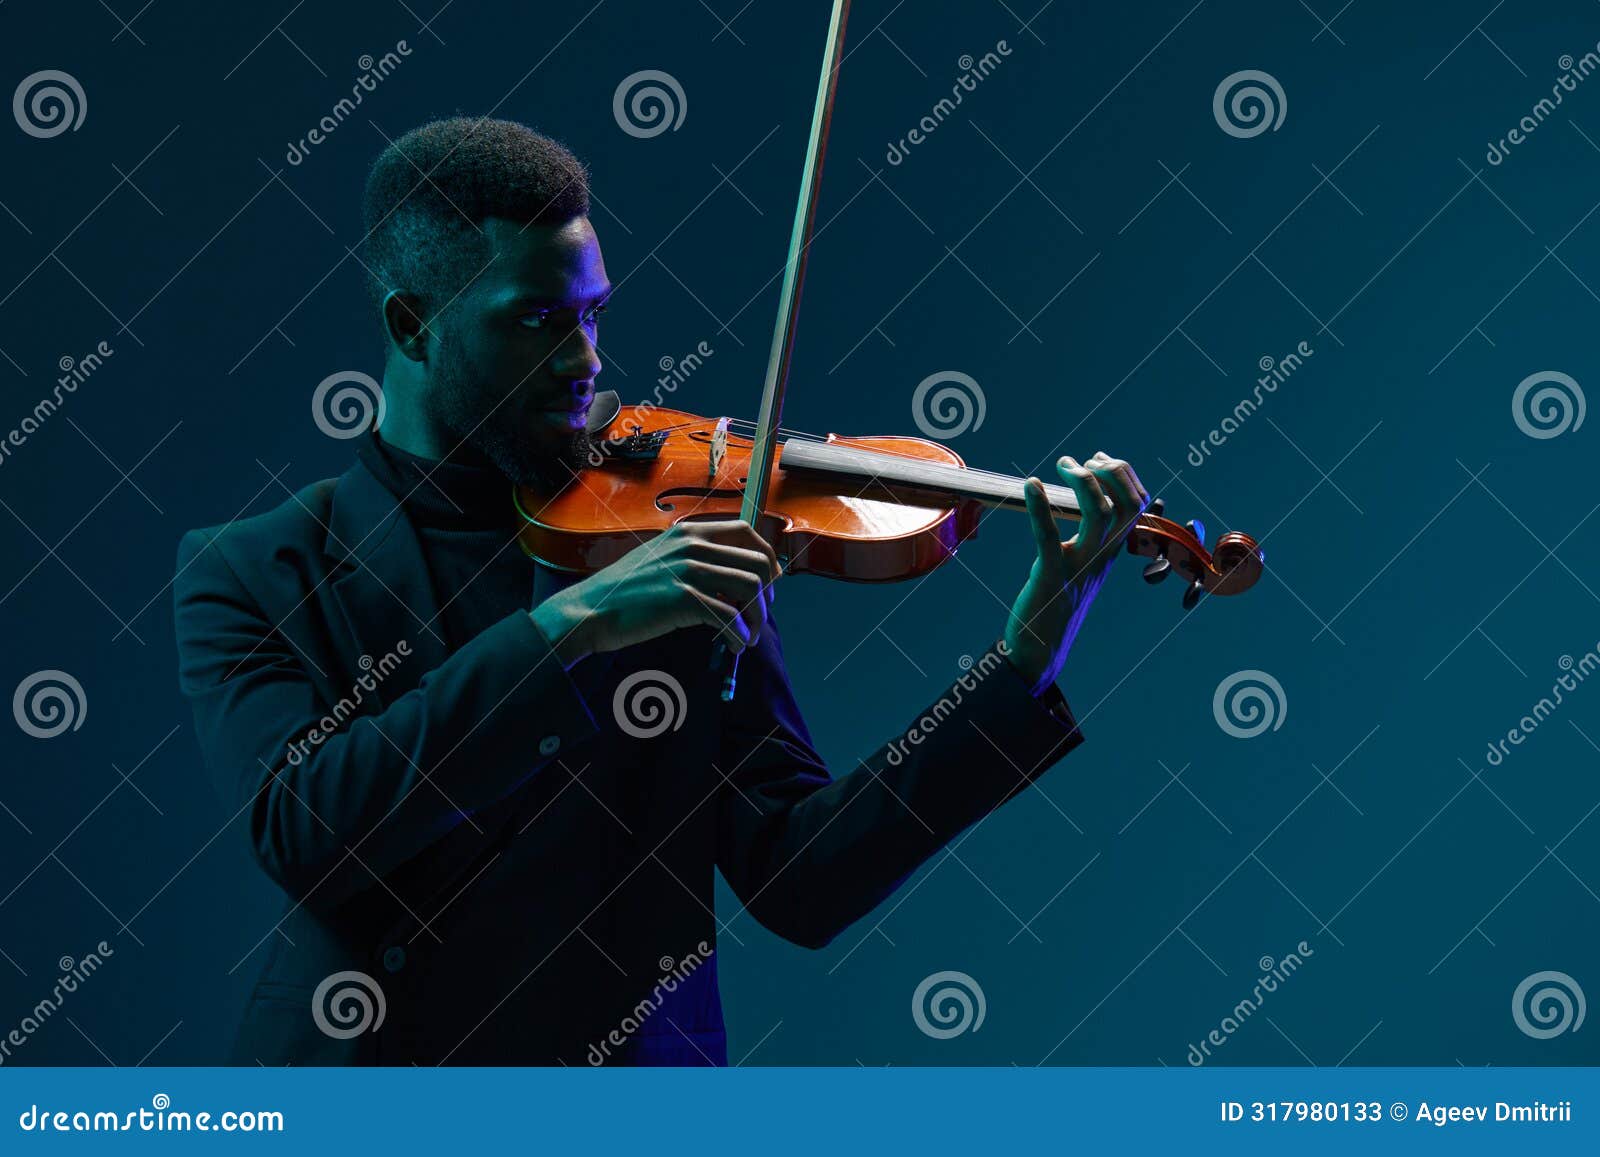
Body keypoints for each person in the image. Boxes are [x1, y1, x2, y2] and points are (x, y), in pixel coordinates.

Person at [173, 117, 1149, 1066]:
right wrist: (572, 625)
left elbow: (797, 877)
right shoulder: (256, 568)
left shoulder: (663, 535)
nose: (585, 359)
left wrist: (1021, 665)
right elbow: (306, 829)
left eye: (592, 313)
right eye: (538, 320)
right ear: (411, 323)